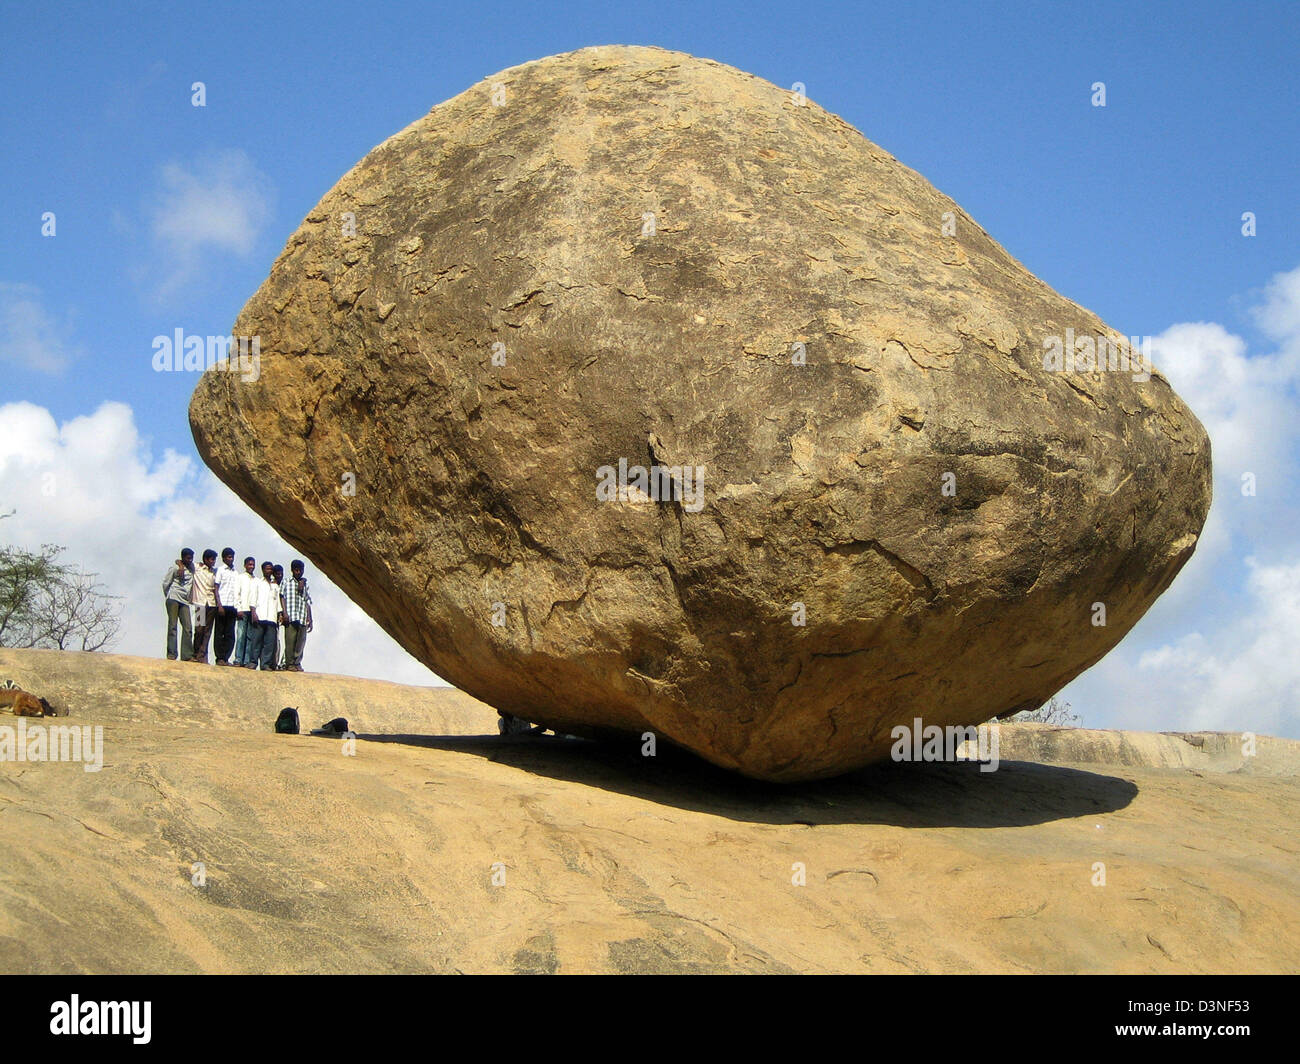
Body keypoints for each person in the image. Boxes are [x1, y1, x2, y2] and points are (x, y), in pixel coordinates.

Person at [244, 561, 281, 670]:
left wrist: (279, 615)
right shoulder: (258, 583)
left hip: (271, 617)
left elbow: (277, 603)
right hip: (260, 615)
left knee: (269, 643)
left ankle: (265, 664)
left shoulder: (275, 586)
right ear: (263, 570)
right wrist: (253, 613)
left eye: (270, 569)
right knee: (256, 641)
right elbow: (252, 599)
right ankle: (253, 662)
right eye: (267, 569)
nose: (268, 571)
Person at [162, 548, 195, 661]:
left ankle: (186, 655)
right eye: (188, 558)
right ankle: (171, 654)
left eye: (191, 558)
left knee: (188, 627)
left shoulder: (192, 568)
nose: (190, 560)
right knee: (172, 626)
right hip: (173, 598)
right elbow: (166, 582)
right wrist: (168, 595)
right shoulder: (175, 568)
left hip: (185, 601)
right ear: (183, 558)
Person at [281, 559, 313, 672]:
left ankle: (297, 662)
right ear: (292, 570)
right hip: (290, 615)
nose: (298, 572)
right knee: (290, 641)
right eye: (296, 570)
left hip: (302, 616)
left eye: (301, 570)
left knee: (301, 641)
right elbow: (282, 597)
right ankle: (289, 663)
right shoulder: (286, 582)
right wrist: (284, 613)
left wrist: (310, 618)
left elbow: (307, 602)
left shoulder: (305, 585)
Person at [189, 549, 218, 663]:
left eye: (214, 560)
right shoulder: (197, 567)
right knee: (199, 629)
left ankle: (203, 655)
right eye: (211, 559)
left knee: (207, 631)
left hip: (211, 603)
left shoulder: (215, 572)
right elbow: (181, 561)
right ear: (205, 559)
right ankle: (195, 653)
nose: (213, 562)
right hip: (200, 602)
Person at [212, 547, 238, 665]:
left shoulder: (236, 572)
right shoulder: (220, 570)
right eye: (228, 557)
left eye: (232, 557)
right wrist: (219, 605)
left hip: (232, 606)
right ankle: (220, 658)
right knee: (219, 632)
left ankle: (226, 658)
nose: (231, 559)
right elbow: (216, 588)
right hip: (222, 606)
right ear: (224, 558)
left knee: (230, 634)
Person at [232, 556, 257, 666]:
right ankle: (238, 659)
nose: (251, 566)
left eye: (253, 564)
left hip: (251, 611)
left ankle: (246, 660)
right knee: (241, 635)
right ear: (245, 565)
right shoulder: (240, 577)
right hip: (242, 610)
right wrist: (238, 608)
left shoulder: (256, 580)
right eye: (249, 564)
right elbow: (236, 593)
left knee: (250, 637)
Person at [272, 564, 286, 668]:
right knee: (274, 639)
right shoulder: (272, 585)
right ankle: (274, 662)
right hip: (272, 614)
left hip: (283, 614)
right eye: (277, 573)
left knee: (280, 639)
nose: (280, 575)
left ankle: (281, 662)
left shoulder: (284, 585)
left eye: (281, 573)